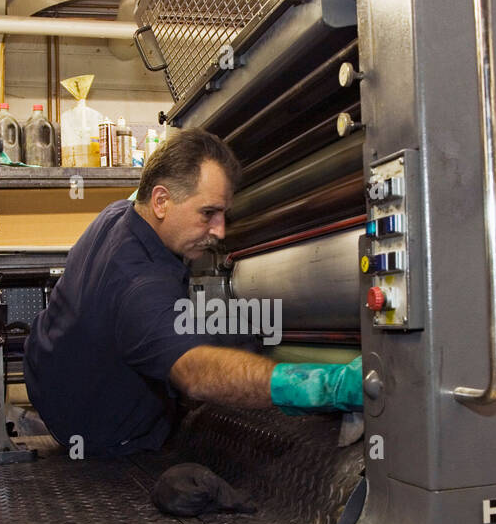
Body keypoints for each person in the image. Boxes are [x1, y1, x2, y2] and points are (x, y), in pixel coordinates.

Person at [23, 127, 362, 458]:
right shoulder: (141, 285)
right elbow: (195, 374)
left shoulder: (120, 213)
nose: (220, 230)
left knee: (227, 335)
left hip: (50, 384)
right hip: (104, 437)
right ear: (161, 201)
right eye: (208, 213)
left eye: (224, 214)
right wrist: (326, 385)